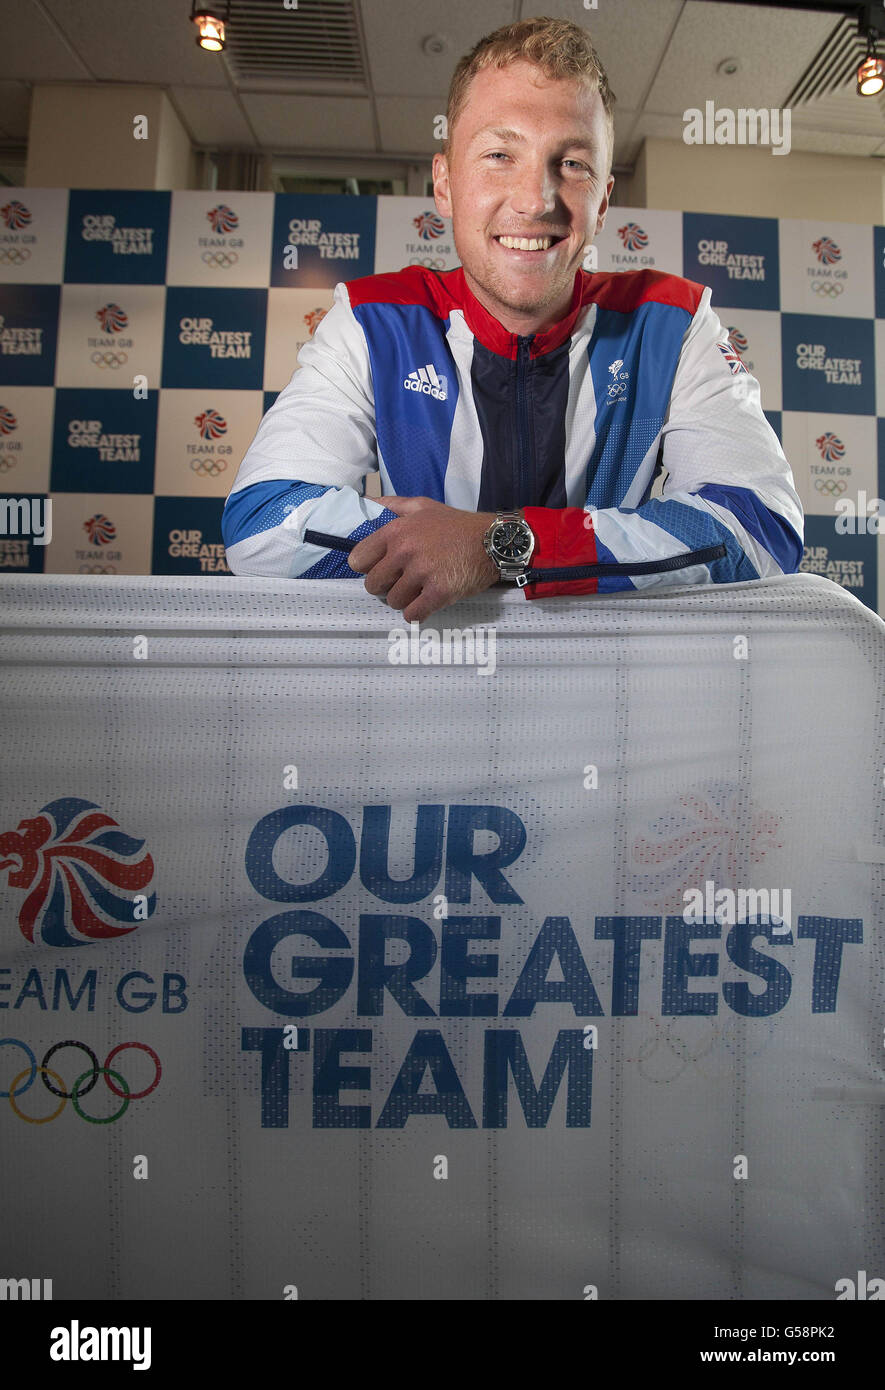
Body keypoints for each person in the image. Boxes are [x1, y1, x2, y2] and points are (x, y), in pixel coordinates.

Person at [222, 15, 803, 623]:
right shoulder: (375, 318)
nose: (535, 199)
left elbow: (760, 529)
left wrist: (502, 546)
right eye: (500, 154)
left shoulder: (672, 322)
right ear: (445, 184)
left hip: (606, 703)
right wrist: (491, 552)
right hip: (422, 698)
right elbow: (264, 522)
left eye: (572, 164)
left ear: (603, 200)